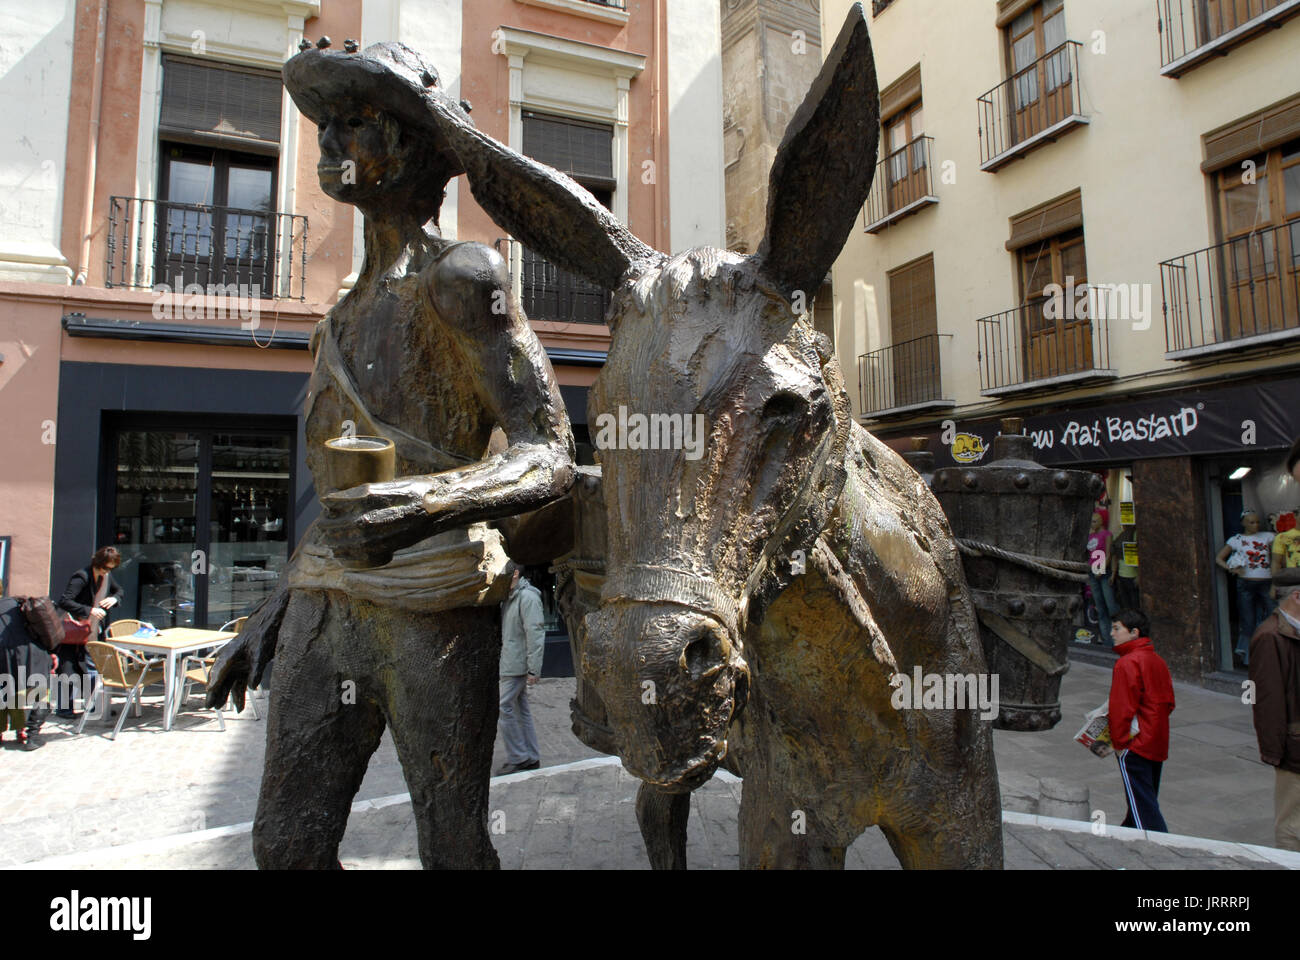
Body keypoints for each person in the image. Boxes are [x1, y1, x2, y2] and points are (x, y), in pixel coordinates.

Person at [206, 42, 575, 869]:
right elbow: (342, 501)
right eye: (326, 123)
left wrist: (423, 503)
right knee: (286, 845)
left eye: (357, 122)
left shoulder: (463, 277)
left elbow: (549, 450)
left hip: (434, 602)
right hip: (327, 601)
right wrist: (273, 611)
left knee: (451, 847)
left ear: (412, 145)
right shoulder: (337, 319)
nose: (330, 142)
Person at [1108, 608, 1175, 833]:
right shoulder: (1157, 660)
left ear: (1134, 632)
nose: (1112, 633)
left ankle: (1159, 849)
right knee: (1143, 798)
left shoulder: (1128, 663)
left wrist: (1118, 742)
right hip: (1156, 739)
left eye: (1117, 628)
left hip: (1135, 743)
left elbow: (1122, 708)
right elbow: (1169, 703)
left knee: (1144, 808)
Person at [1249, 577, 1300, 851]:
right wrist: (1275, 751)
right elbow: (1267, 701)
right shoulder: (1270, 636)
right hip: (1294, 746)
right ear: (1296, 597)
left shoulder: (1294, 630)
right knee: (1292, 824)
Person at [54, 546, 123, 718]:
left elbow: (119, 590)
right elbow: (65, 601)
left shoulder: (105, 575)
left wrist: (114, 598)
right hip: (73, 630)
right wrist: (89, 610)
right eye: (105, 568)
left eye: (111, 568)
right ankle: (64, 709)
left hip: (91, 630)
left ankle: (92, 705)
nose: (107, 571)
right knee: (68, 667)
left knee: (91, 668)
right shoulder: (81, 576)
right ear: (98, 563)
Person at [496, 565, 546, 776]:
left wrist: (534, 669)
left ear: (515, 573)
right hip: (510, 663)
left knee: (504, 707)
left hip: (515, 665)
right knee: (519, 708)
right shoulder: (511, 597)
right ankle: (530, 756)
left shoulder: (527, 598)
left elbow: (535, 634)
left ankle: (519, 756)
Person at [1216, 510, 1274, 666]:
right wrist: (1231, 568)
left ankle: (1269, 652)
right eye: (1251, 522)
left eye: (1257, 522)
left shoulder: (1267, 536)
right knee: (1247, 619)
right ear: (1243, 523)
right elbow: (1219, 558)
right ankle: (1250, 655)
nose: (1255, 525)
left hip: (1266, 581)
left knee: (1272, 614)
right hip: (1246, 582)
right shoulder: (1236, 540)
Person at [1086, 508, 1118, 642]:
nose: (1092, 524)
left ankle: (1118, 634)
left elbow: (1110, 553)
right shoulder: (1090, 536)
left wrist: (1103, 569)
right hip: (1092, 571)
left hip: (1103, 572)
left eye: (1095, 521)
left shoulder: (1107, 534)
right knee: (1099, 606)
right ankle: (1106, 639)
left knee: (1110, 605)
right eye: (1091, 521)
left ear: (1101, 521)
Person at [1111, 524, 1140, 613]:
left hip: (1133, 575)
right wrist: (1113, 575)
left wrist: (1139, 576)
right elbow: (1115, 557)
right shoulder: (1119, 534)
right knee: (1125, 605)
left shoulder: (1135, 534)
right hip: (1121, 575)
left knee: (1135, 606)